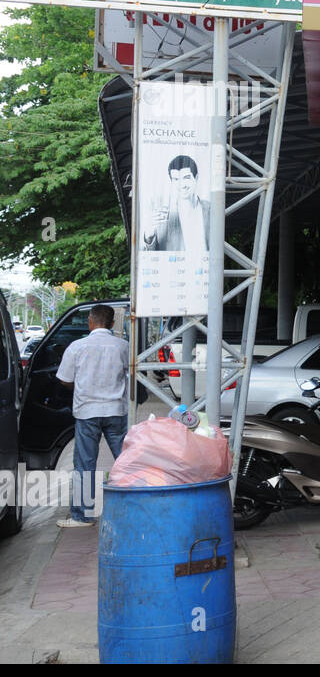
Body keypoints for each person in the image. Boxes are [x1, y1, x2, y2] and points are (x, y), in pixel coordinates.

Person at [55, 304, 131, 527]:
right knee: (127, 461)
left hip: (87, 412)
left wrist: (80, 387)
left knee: (85, 464)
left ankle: (82, 516)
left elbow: (64, 379)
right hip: (116, 411)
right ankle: (138, 505)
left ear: (90, 321)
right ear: (112, 323)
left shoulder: (77, 347)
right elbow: (132, 376)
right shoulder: (123, 346)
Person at [143, 154, 210, 252]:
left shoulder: (211, 210)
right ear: (171, 182)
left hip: (206, 266)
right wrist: (149, 235)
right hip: (175, 266)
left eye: (186, 178)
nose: (182, 185)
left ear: (196, 178)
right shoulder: (162, 216)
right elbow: (151, 256)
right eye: (176, 179)